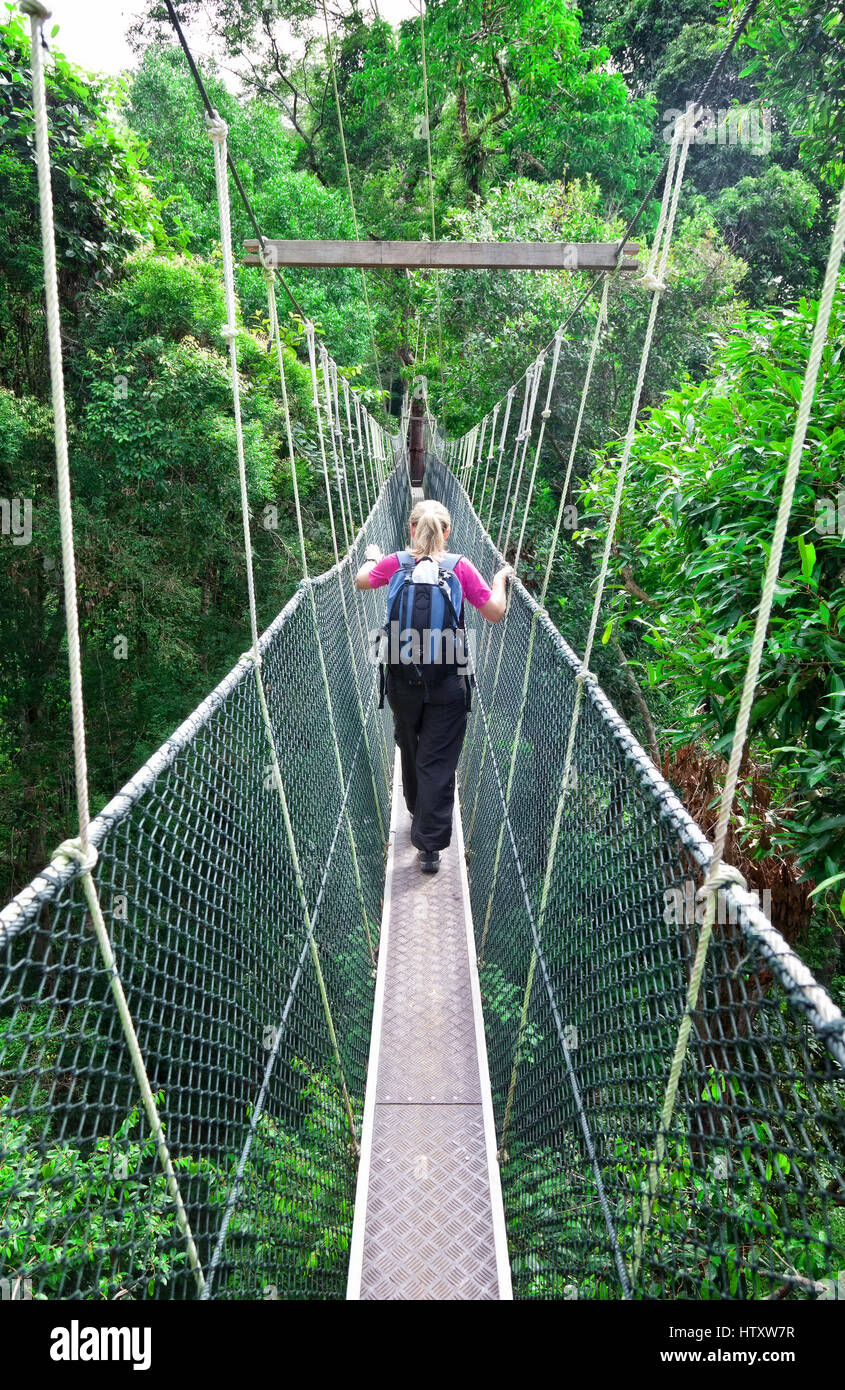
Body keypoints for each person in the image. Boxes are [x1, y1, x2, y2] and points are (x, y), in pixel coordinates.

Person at [356, 499, 512, 874]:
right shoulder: (460, 567)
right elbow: (494, 612)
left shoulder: (395, 563)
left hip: (401, 681)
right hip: (448, 681)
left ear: (411, 530)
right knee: (438, 763)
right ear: (448, 533)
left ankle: (414, 809)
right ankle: (428, 848)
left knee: (409, 748)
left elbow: (361, 581)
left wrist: (372, 556)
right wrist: (500, 580)